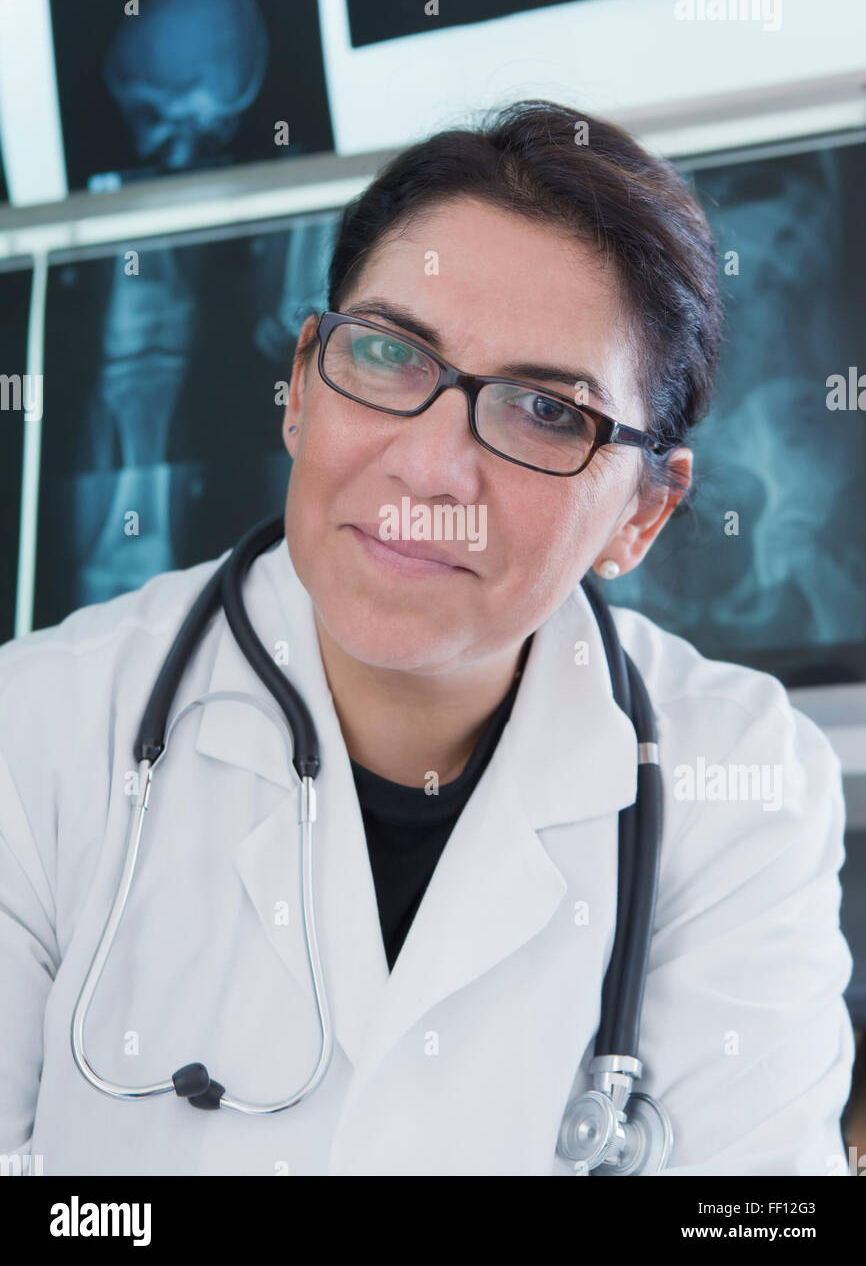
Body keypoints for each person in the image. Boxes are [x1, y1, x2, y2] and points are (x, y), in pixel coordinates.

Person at [0, 100, 855, 1176]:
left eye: (546, 411)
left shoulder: (734, 780)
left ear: (641, 514)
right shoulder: (35, 735)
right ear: (303, 385)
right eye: (389, 353)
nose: (430, 468)